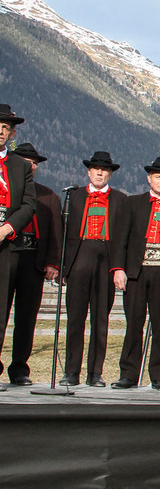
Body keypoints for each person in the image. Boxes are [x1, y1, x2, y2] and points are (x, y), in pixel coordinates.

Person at [111, 157, 160, 390]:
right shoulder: (132, 204)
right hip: (136, 274)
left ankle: (159, 377)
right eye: (158, 177)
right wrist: (118, 269)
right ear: (149, 179)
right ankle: (128, 375)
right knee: (133, 324)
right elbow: (120, 239)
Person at [60, 151, 127, 387]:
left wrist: (119, 267)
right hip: (79, 257)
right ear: (89, 172)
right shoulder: (74, 196)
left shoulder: (120, 199)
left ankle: (95, 373)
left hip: (106, 260)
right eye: (96, 169)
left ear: (110, 174)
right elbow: (64, 231)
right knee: (75, 319)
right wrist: (63, 267)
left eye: (104, 170)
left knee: (100, 320)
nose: (100, 173)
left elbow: (123, 237)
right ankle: (71, 372)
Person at [3, 143, 61, 386]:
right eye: (26, 162)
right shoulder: (7, 190)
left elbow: (56, 232)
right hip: (7, 255)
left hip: (33, 259)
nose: (31, 166)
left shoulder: (48, 196)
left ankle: (19, 368)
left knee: (27, 318)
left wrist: (53, 262)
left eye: (34, 163)